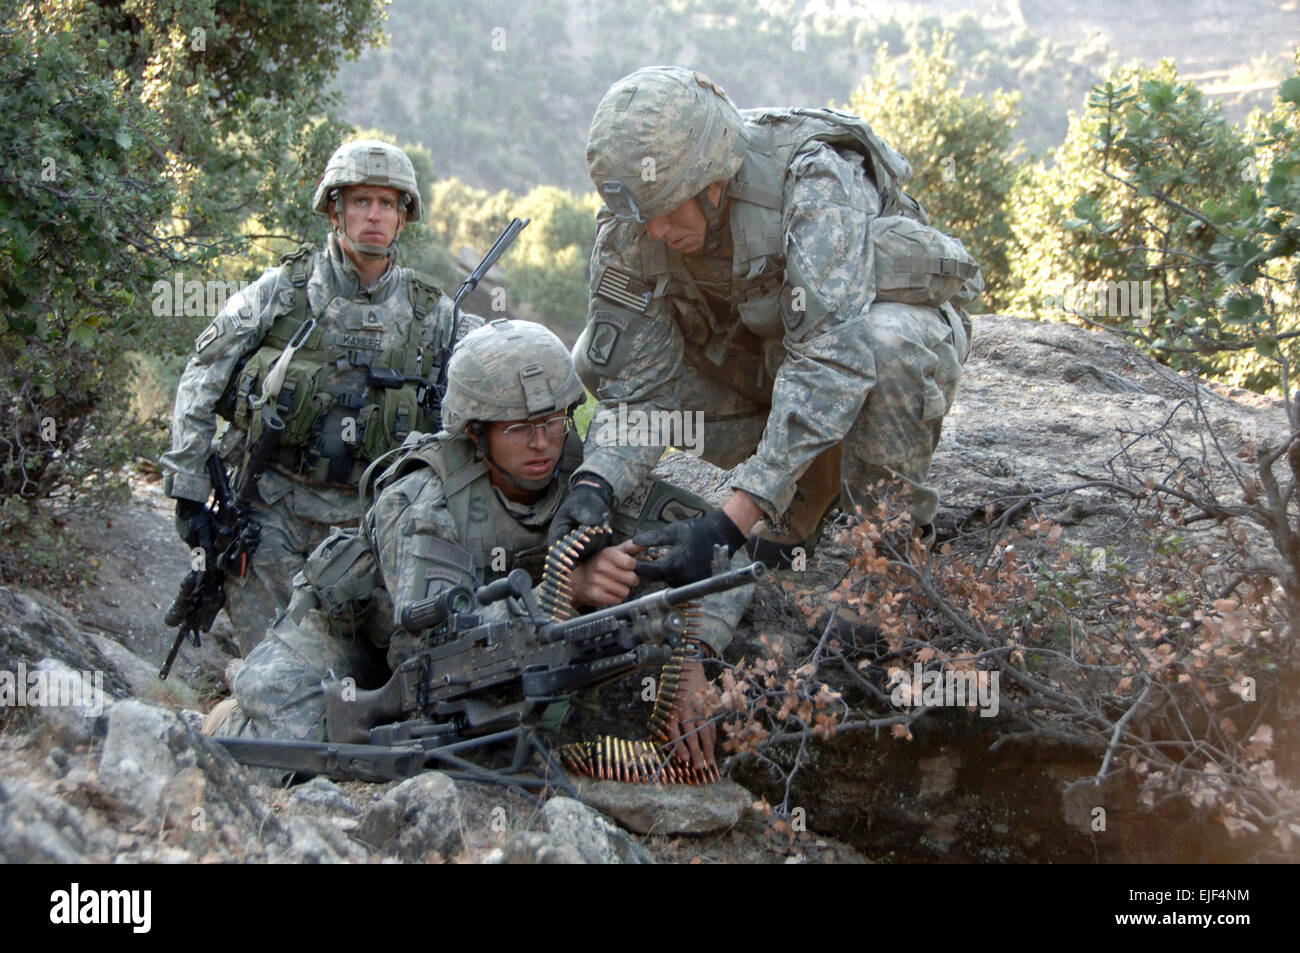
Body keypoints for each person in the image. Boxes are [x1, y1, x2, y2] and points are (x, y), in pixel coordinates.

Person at [214, 320, 748, 777]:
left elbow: (721, 551)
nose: (542, 444)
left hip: (480, 660)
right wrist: (568, 587)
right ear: (475, 432)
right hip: (356, 632)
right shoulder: (425, 500)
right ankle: (226, 711)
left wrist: (692, 657)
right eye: (518, 428)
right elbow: (431, 642)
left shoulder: (590, 479)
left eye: (552, 422)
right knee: (293, 750)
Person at [557, 66, 981, 594]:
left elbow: (833, 359)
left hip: (858, 346)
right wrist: (597, 484)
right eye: (640, 216)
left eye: (665, 212)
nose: (653, 232)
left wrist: (728, 521)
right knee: (590, 358)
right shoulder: (634, 226)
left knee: (888, 342)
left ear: (714, 182)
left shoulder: (814, 179)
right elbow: (635, 386)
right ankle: (807, 487)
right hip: (767, 360)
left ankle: (888, 552)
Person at [161, 140, 481, 654]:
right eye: (360, 201)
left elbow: (489, 377)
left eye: (387, 203)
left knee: (393, 663)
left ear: (404, 217)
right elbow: (202, 376)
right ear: (335, 209)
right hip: (269, 515)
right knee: (274, 665)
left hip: (373, 523)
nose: (374, 215)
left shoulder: (436, 314)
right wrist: (188, 488)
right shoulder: (281, 291)